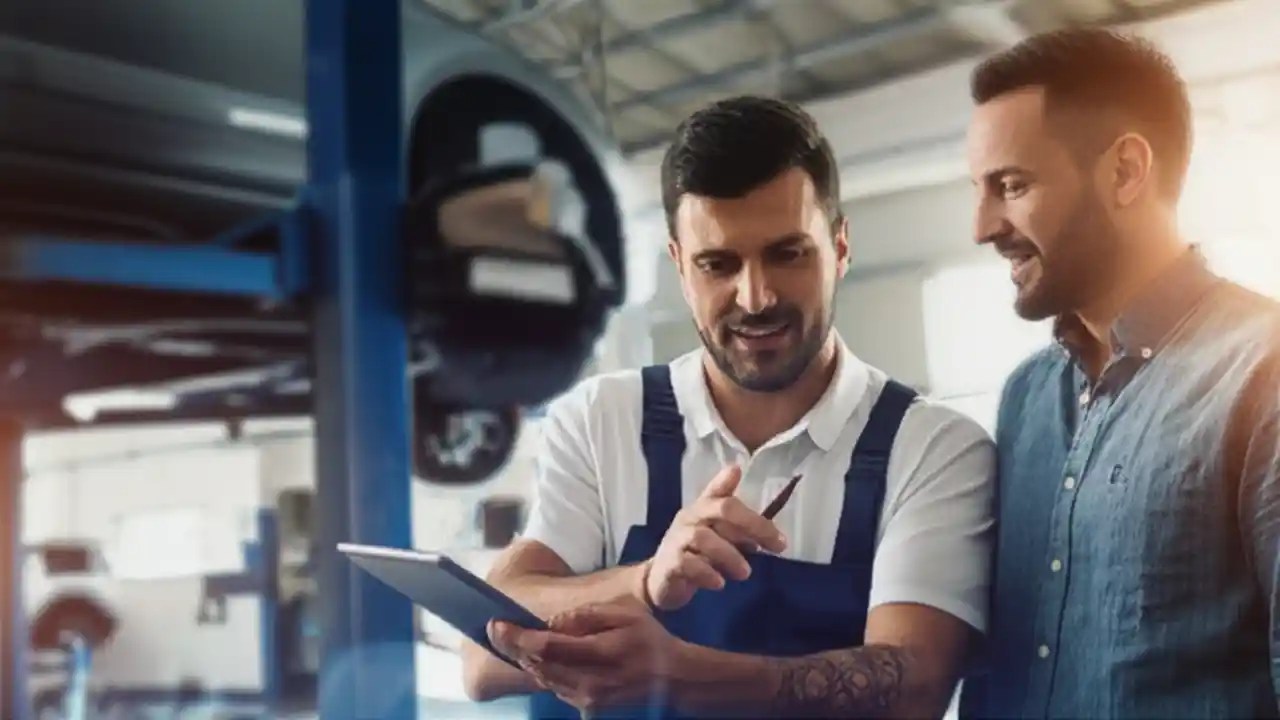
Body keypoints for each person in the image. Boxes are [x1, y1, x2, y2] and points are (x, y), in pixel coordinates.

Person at [459, 95, 996, 719]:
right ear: (680, 266)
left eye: (787, 253)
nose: (756, 297)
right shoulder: (602, 419)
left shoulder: (932, 448)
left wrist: (679, 674)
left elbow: (914, 688)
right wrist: (645, 581)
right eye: (718, 264)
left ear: (841, 247)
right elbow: (482, 658)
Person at [957, 27, 1280, 719]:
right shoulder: (1026, 398)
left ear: (1126, 171)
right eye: (979, 190)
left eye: (1011, 186)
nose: (981, 226)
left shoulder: (1263, 372)